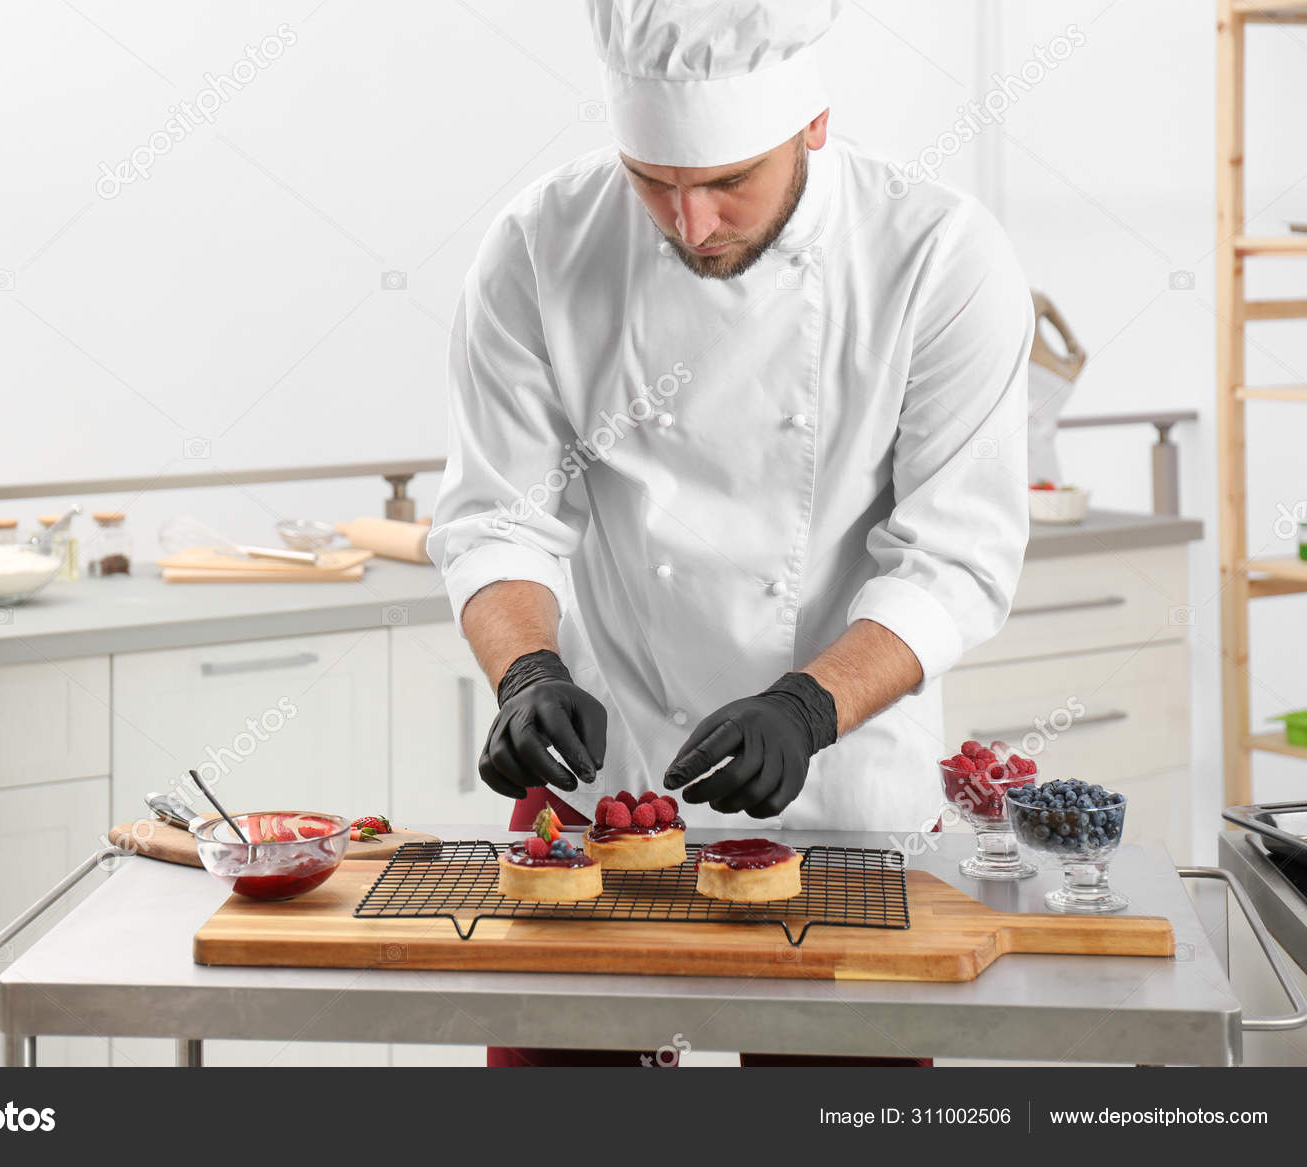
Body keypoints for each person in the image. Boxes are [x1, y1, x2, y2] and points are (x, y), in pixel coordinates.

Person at [427, 0, 1031, 1067]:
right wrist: (523, 672)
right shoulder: (537, 243)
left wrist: (805, 708)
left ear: (812, 126)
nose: (689, 222)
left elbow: (953, 554)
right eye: (653, 182)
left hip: (842, 795)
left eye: (723, 183)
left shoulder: (938, 256)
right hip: (605, 781)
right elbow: (500, 515)